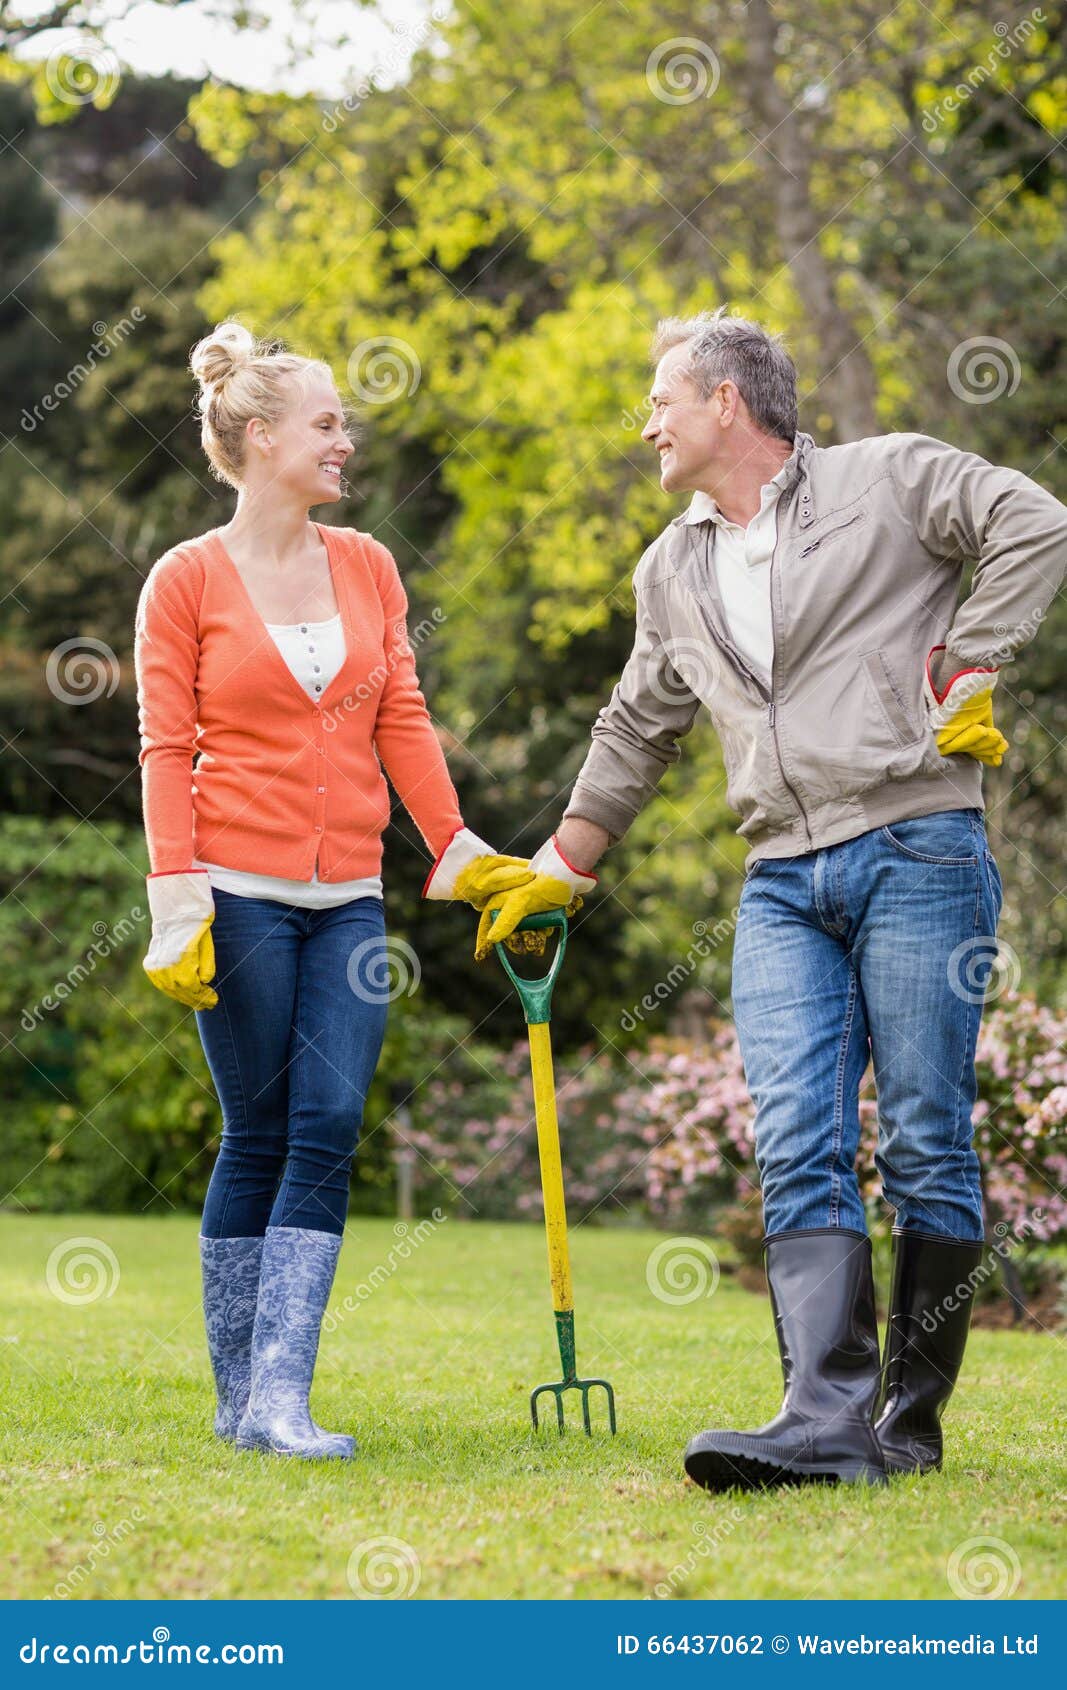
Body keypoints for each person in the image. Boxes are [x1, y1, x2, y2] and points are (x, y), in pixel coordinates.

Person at [482, 307, 1067, 1491]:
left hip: (915, 844)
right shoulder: (672, 564)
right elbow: (636, 726)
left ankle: (904, 1419)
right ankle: (818, 1415)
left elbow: (1033, 519)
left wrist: (970, 658)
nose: (645, 420)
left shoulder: (886, 480)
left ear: (725, 405)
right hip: (778, 881)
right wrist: (561, 863)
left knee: (920, 1138)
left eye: (660, 398)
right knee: (796, 1134)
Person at [134, 321, 570, 1461]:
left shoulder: (368, 563)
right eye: (327, 422)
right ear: (262, 436)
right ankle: (240, 1398)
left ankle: (280, 1397)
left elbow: (401, 716)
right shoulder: (184, 580)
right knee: (259, 1129)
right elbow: (163, 749)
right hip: (234, 892)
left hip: (349, 902)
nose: (345, 437)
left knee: (326, 1126)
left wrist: (458, 846)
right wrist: (176, 898)